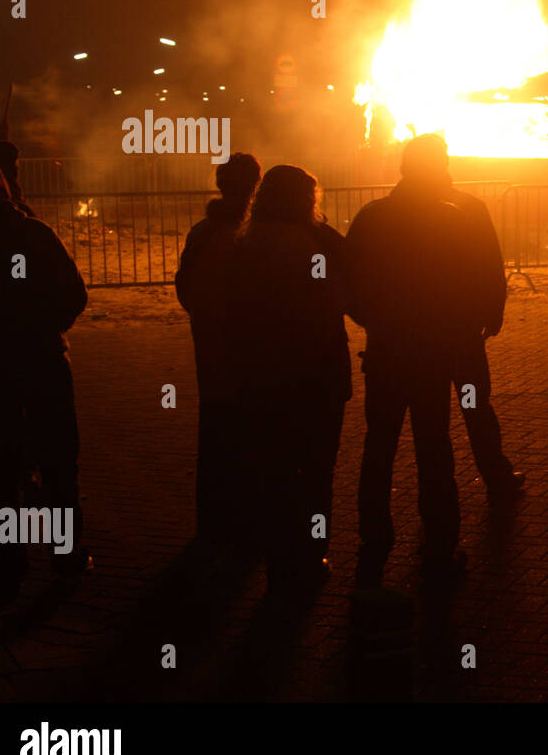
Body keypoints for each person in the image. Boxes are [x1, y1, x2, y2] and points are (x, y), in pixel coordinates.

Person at [345, 135, 483, 588]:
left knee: (379, 446)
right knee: (434, 447)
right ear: (437, 167)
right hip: (432, 353)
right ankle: (441, 544)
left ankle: (375, 536)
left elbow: (352, 286)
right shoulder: (452, 219)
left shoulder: (371, 218)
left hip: (386, 352)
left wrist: (377, 323)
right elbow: (468, 287)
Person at [227, 165, 350, 595]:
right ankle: (312, 555)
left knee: (275, 470)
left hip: (264, 376)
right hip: (318, 375)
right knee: (317, 471)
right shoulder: (320, 242)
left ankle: (280, 563)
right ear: (308, 199)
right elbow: (345, 296)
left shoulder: (245, 244)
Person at [0, 160, 90, 602]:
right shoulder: (34, 234)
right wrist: (46, 329)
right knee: (58, 459)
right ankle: (65, 552)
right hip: (41, 361)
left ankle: (7, 563)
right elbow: (74, 293)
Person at [175, 152, 262, 549]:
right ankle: (245, 524)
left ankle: (213, 524)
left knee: (215, 438)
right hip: (251, 354)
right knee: (252, 439)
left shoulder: (203, 233)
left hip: (211, 350)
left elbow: (186, 288)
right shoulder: (253, 237)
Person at [443, 164, 525, 504]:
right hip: (461, 329)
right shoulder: (469, 207)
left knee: (428, 417)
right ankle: (494, 473)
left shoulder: (389, 212)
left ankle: (437, 497)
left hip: (413, 337)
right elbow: (490, 261)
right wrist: (493, 310)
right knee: (474, 403)